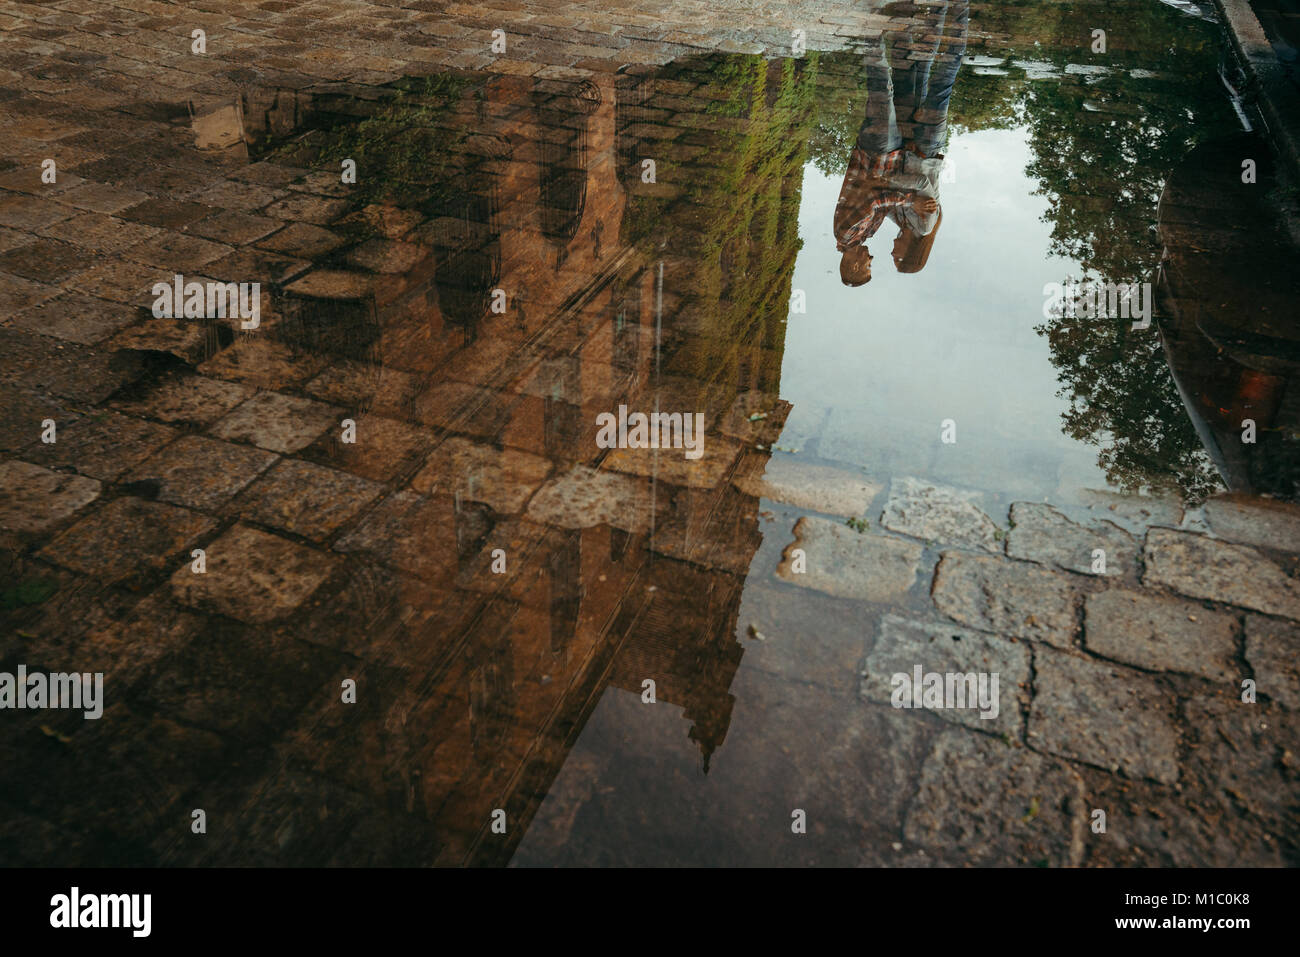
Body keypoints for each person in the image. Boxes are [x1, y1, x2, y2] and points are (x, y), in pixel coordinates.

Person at [834, 0, 968, 284]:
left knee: (897, 77)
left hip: (888, 151)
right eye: (895, 257)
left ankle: (887, 17)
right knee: (935, 74)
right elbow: (900, 191)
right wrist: (895, 187)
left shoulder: (853, 235)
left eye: (868, 266)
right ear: (909, 253)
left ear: (855, 268)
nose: (879, 257)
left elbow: (877, 196)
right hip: (920, 147)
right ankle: (952, 7)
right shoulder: (919, 224)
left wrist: (894, 186)